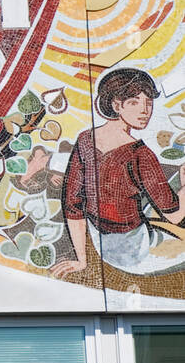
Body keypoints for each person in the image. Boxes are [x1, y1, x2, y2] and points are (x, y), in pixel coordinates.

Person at [54, 68, 185, 278]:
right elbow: (175, 216)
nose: (145, 110)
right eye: (134, 102)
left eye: (149, 103)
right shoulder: (140, 154)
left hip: (101, 244)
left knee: (166, 185)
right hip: (135, 252)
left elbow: (73, 205)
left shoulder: (85, 140)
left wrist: (81, 260)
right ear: (116, 105)